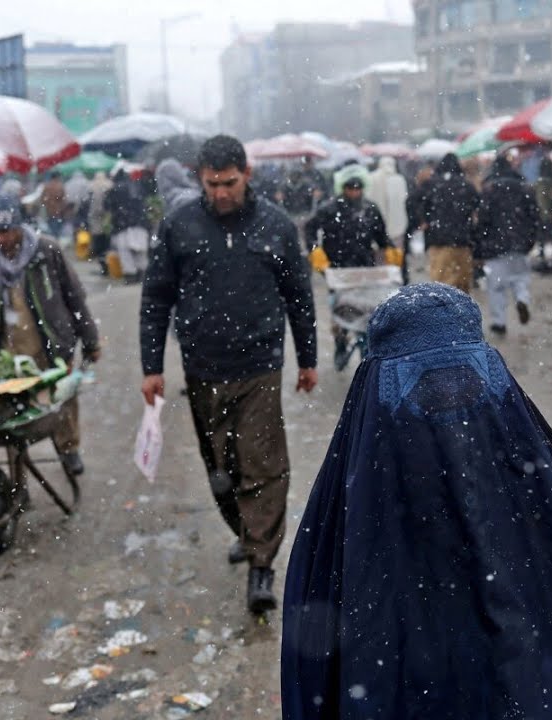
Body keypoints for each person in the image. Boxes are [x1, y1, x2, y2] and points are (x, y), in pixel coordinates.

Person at [281, 283, 552, 720]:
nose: (448, 403)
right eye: (423, 388)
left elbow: (315, 651)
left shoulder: (356, 491)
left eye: (463, 382)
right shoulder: (535, 467)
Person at [139, 134, 318, 615]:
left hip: (259, 364)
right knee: (222, 469)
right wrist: (152, 367)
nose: (221, 193)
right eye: (212, 184)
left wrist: (307, 358)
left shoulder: (276, 227)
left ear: (248, 175)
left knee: (262, 463)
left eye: (230, 183)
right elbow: (157, 298)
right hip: (202, 367)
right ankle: (247, 529)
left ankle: (262, 564)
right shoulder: (179, 226)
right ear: (200, 178)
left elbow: (299, 296)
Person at [0, 194, 101, 477]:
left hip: (50, 340)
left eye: (5, 231)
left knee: (62, 397)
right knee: (12, 409)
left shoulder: (46, 250)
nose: (0, 239)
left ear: (18, 226)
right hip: (7, 346)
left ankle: (68, 448)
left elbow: (74, 296)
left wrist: (90, 339)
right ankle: (19, 465)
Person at [304, 175, 391, 369]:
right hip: (338, 270)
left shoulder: (370, 209)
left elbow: (381, 235)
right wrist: (315, 251)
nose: (354, 193)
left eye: (357, 189)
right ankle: (340, 343)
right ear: (343, 189)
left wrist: (391, 252)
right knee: (341, 310)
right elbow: (310, 228)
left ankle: (365, 349)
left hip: (364, 269)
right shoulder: (329, 209)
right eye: (350, 189)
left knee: (366, 310)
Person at [476, 154, 540, 336]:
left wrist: (481, 245)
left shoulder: (489, 191)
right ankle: (522, 299)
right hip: (520, 245)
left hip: (495, 247)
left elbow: (483, 221)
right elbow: (534, 217)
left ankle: (499, 322)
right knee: (520, 279)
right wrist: (530, 239)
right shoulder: (525, 189)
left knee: (496, 286)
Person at [422, 153, 480, 292]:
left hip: (438, 240)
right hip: (462, 240)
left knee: (440, 280)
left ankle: (442, 307)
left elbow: (421, 205)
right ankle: (461, 309)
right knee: (462, 281)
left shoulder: (433, 185)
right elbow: (477, 208)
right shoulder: (466, 186)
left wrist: (427, 223)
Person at [108, 168, 150, 283]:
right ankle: (143, 274)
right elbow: (143, 205)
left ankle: (130, 275)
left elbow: (110, 207)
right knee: (140, 252)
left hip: (123, 225)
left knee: (125, 252)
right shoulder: (137, 186)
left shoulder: (115, 189)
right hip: (140, 223)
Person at [366, 156, 410, 254]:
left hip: (377, 222)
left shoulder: (371, 177)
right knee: (395, 252)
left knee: (379, 250)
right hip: (397, 223)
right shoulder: (399, 179)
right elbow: (403, 199)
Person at [402, 164, 436, 286]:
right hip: (428, 234)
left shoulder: (416, 192)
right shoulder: (433, 191)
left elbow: (410, 206)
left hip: (416, 232)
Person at [532, 157, 552, 272]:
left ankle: (542, 257)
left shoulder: (538, 183)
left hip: (541, 214)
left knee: (542, 238)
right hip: (549, 214)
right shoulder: (550, 183)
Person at [41, 170, 68, 241]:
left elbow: (42, 199)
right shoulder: (60, 186)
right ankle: (56, 245)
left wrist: (48, 205)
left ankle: (51, 244)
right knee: (56, 232)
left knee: (50, 231)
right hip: (58, 213)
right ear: (58, 177)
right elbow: (64, 200)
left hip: (49, 212)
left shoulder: (46, 186)